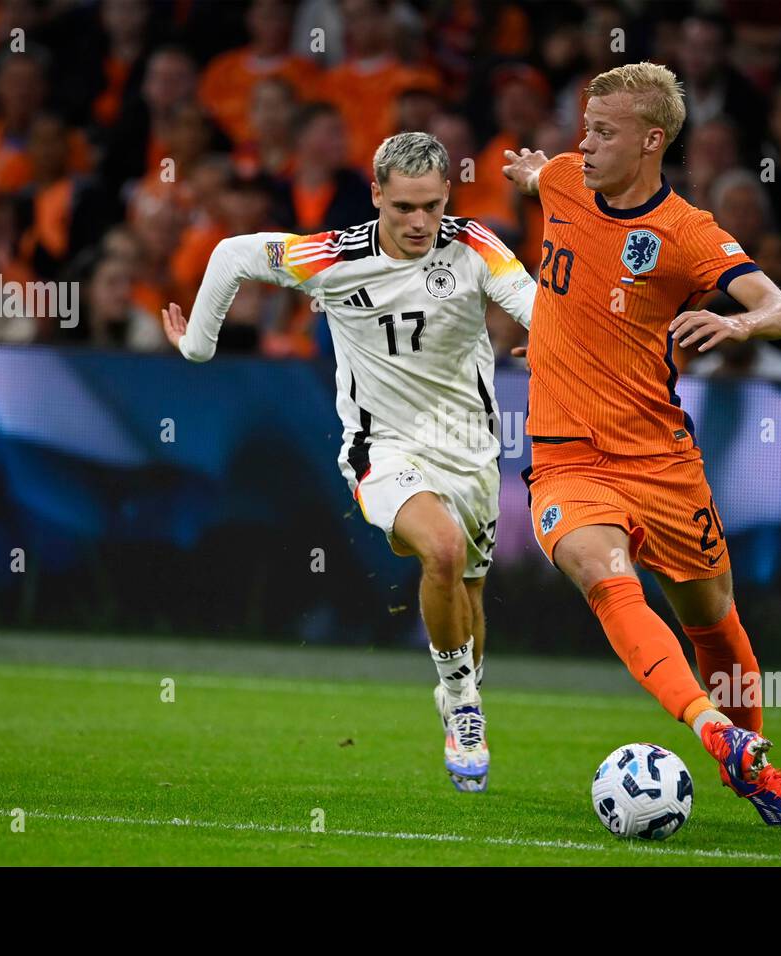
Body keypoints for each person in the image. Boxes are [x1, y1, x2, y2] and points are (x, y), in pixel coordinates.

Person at [164, 132, 535, 793]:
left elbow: (531, 302)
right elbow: (231, 254)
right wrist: (196, 346)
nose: (419, 222)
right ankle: (462, 706)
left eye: (430, 205)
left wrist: (552, 338)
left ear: (447, 195)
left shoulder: (476, 244)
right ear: (376, 197)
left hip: (471, 450)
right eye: (403, 208)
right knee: (442, 553)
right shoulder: (333, 256)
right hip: (381, 447)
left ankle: (461, 690)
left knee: (468, 592)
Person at [502, 62, 781, 827]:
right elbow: (547, 178)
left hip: (662, 461)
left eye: (603, 132)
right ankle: (713, 732)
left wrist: (737, 323)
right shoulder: (568, 179)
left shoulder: (688, 233)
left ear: (651, 140)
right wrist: (529, 175)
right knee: (604, 574)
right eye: (585, 126)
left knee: (714, 620)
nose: (585, 143)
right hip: (567, 457)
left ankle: (756, 764)